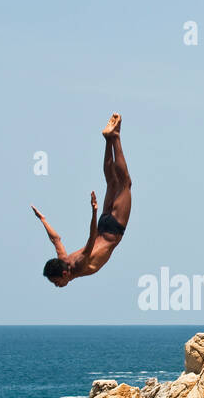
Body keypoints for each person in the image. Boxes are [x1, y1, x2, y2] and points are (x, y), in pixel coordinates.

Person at [31, 114, 131, 288]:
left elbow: (91, 240)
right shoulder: (64, 260)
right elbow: (56, 240)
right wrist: (43, 220)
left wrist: (93, 211)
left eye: (56, 281)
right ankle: (108, 138)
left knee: (125, 184)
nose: (57, 285)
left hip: (112, 230)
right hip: (104, 224)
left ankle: (115, 138)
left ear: (64, 273)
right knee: (112, 182)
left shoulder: (78, 266)